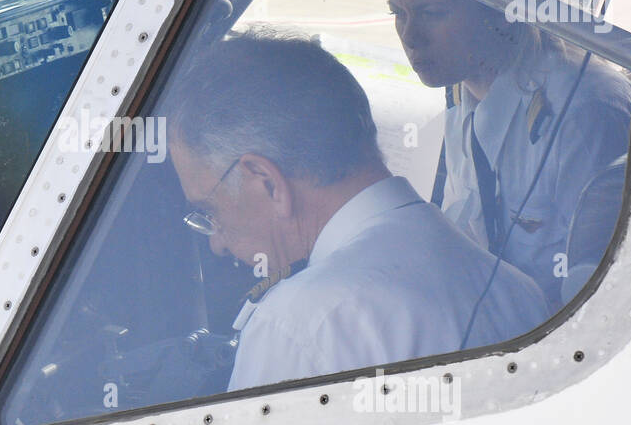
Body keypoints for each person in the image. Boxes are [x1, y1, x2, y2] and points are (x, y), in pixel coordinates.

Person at [162, 31, 548, 392]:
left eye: (210, 211)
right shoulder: (516, 290)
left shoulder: (298, 325)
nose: (216, 243)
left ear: (266, 181)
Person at [374, 0, 631, 307]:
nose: (410, 36)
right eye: (397, 14)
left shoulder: (585, 111)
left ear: (502, 12)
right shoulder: (462, 91)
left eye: (432, 13)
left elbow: (605, 304)